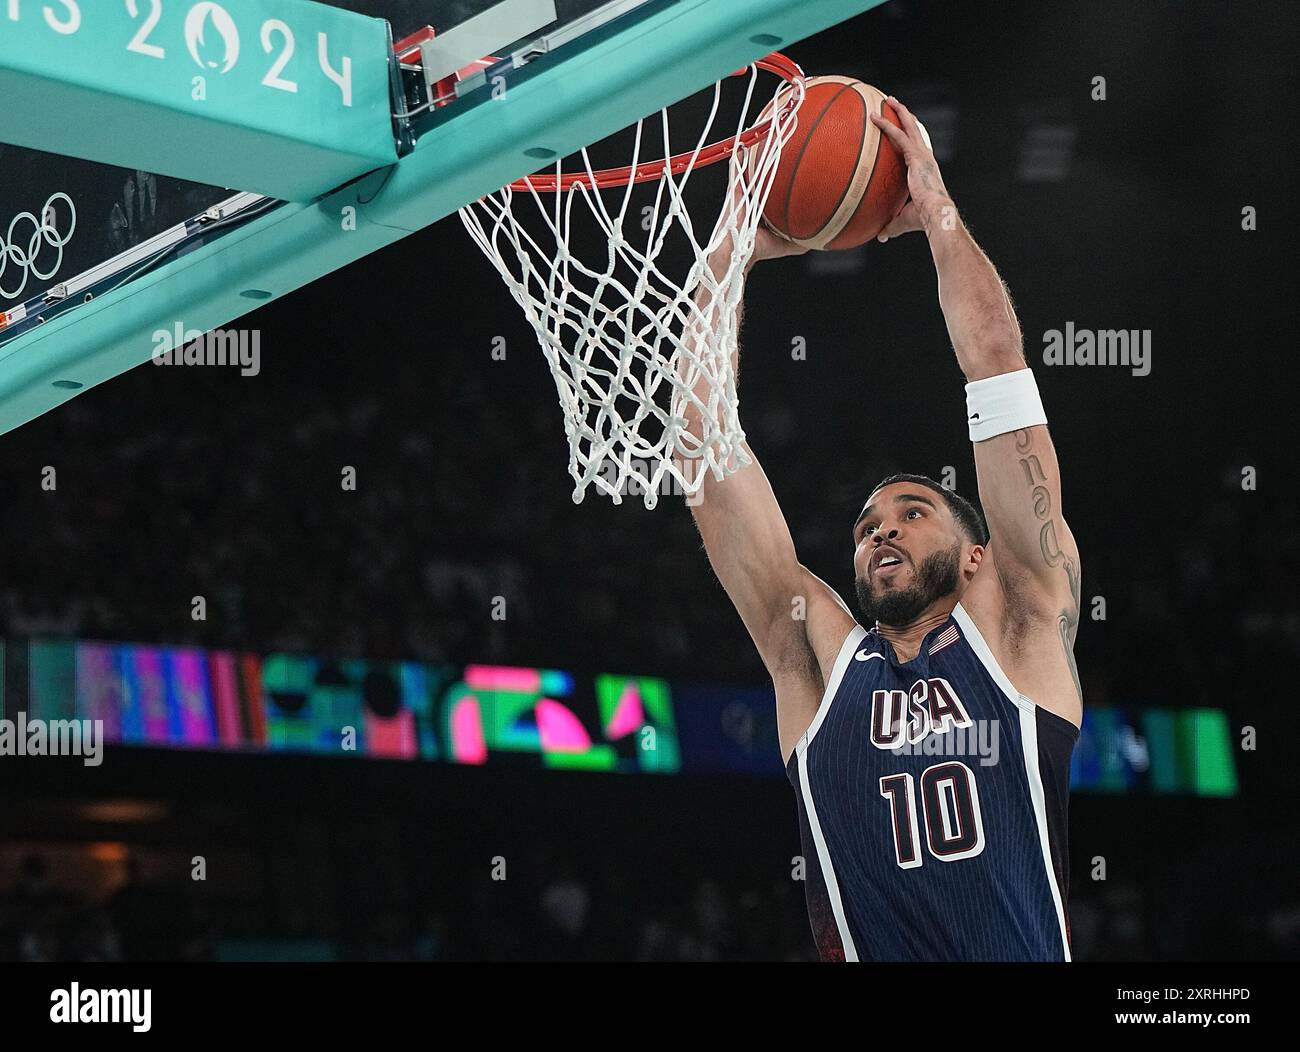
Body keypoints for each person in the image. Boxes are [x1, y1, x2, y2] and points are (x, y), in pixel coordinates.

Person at [685, 97, 1082, 961]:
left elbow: (997, 366)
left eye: (913, 511)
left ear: (979, 555)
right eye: (867, 526)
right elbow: (704, 452)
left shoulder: (1021, 628)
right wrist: (730, 256)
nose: (880, 532)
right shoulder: (820, 659)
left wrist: (938, 214)